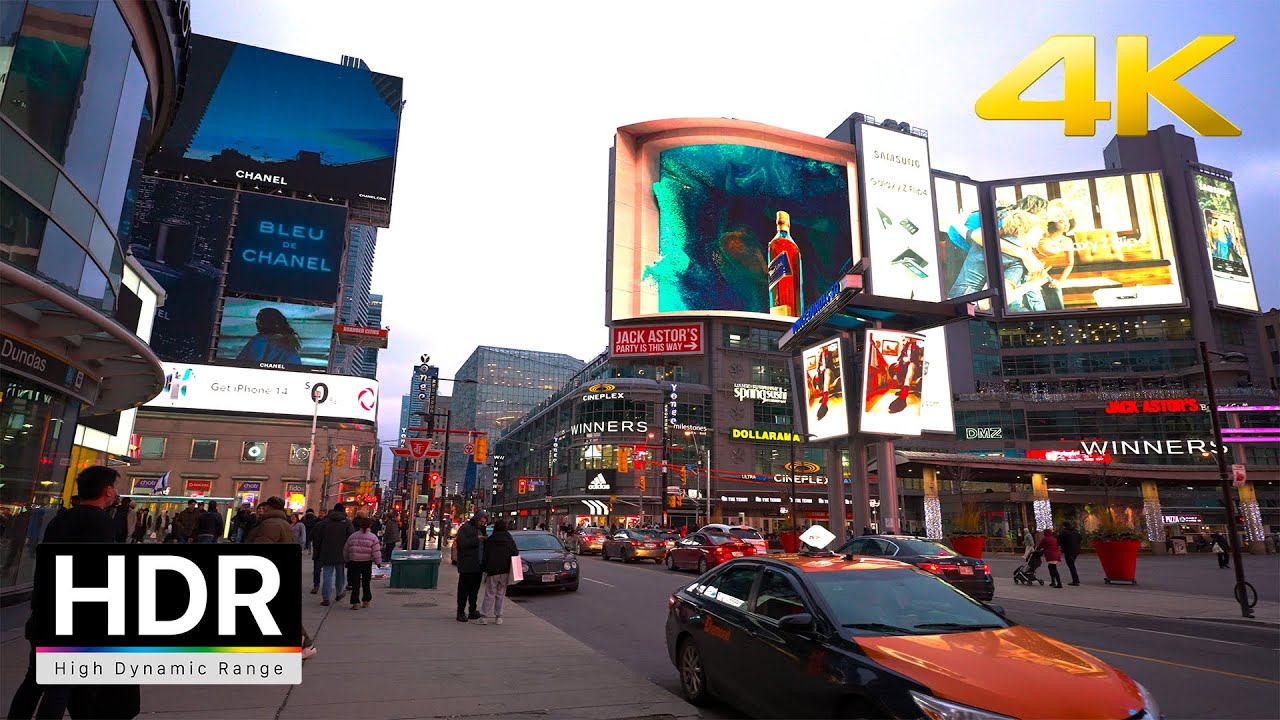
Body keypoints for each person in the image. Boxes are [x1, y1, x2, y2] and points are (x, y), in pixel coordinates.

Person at [8, 466, 140, 720]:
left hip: (45, 610)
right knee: (61, 685)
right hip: (73, 614)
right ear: (108, 490)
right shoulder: (100, 522)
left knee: (34, 681)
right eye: (114, 488)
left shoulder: (61, 518)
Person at [476, 519, 519, 625]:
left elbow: (485, 555)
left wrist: (485, 568)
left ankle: (484, 616)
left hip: (492, 570)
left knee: (489, 593)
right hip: (505, 570)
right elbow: (515, 553)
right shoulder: (509, 539)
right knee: (500, 594)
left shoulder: (491, 540)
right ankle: (498, 617)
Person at [312, 503, 355, 605]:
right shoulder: (347, 523)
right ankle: (339, 592)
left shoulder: (325, 523)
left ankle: (326, 598)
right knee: (340, 574)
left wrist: (317, 552)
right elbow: (351, 538)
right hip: (341, 552)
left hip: (326, 551)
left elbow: (318, 539)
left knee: (327, 575)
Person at [236, 306, 303, 366]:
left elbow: (240, 363)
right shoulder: (290, 344)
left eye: (259, 321)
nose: (256, 324)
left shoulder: (258, 341)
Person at [455, 510, 488, 622]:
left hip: (478, 565)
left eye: (484, 522)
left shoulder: (481, 529)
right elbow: (461, 543)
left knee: (474, 590)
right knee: (464, 590)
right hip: (467, 564)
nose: (482, 524)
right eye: (481, 522)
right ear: (477, 519)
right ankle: (460, 612)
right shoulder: (465, 528)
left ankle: (472, 610)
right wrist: (477, 539)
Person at [343, 517, 382, 610]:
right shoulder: (373, 537)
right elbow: (376, 551)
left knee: (355, 583)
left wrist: (347, 559)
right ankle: (366, 601)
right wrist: (378, 562)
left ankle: (355, 602)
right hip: (366, 562)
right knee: (366, 582)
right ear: (370, 525)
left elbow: (346, 549)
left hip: (354, 562)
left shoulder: (353, 536)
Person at [1058, 521, 1083, 586]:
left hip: (1068, 551)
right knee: (1072, 564)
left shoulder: (1064, 532)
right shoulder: (1075, 531)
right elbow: (1080, 539)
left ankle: (1076, 580)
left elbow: (1059, 541)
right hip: (1076, 550)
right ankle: (1075, 580)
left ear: (1064, 526)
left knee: (1071, 565)